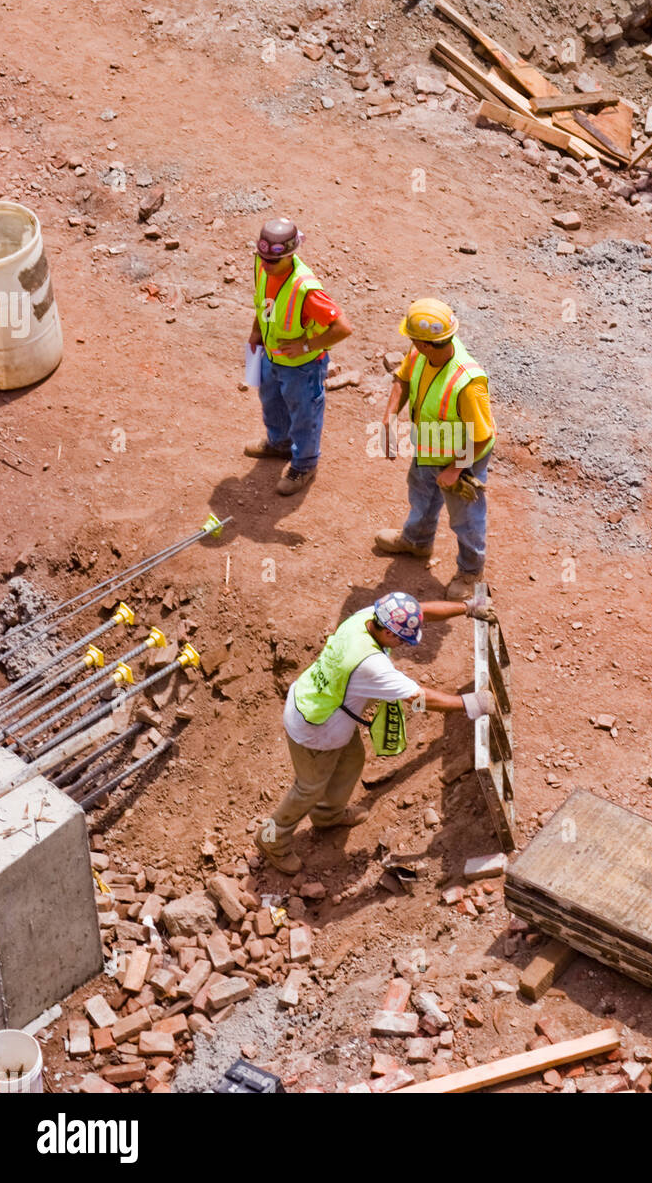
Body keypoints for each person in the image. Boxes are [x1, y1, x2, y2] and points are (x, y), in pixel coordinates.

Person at [256, 590, 496, 874]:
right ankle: (272, 839)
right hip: (313, 728)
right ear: (390, 633)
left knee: (352, 761)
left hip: (325, 711)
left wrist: (467, 607)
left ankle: (328, 816)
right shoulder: (371, 666)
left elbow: (420, 611)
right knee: (308, 788)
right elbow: (420, 699)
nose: (404, 646)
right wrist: (471, 703)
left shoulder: (368, 617)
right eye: (403, 640)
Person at [375, 298, 495, 601]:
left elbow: (483, 436)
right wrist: (390, 418)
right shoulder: (420, 353)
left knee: (466, 519)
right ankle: (416, 541)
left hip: (461, 459)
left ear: (429, 344)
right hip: (428, 447)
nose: (410, 344)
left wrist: (455, 470)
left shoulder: (468, 382)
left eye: (413, 339)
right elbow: (402, 378)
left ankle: (470, 572)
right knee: (422, 496)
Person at [244, 216, 352, 495]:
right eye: (263, 258)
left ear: (290, 255)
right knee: (271, 402)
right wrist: (257, 331)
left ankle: (304, 465)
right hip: (271, 356)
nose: (266, 265)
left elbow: (343, 328)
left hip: (302, 367)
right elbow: (264, 302)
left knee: (304, 414)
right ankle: (279, 443)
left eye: (273, 261)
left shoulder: (305, 289)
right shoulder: (261, 265)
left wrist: (307, 346)